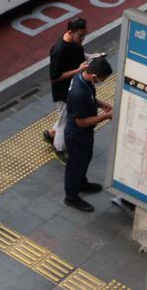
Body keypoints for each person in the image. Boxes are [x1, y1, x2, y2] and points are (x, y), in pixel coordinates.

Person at [43, 18, 99, 161]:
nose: (82, 38)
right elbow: (55, 77)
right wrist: (78, 70)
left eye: (84, 35)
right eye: (80, 35)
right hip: (63, 92)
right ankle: (59, 149)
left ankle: (50, 134)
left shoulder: (75, 43)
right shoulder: (59, 51)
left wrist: (91, 56)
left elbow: (80, 54)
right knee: (66, 122)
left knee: (65, 117)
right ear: (70, 32)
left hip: (71, 88)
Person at [63, 56, 114, 213]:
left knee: (85, 159)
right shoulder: (78, 92)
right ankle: (71, 196)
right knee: (75, 165)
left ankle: (81, 183)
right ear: (94, 76)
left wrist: (102, 104)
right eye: (102, 79)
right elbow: (81, 122)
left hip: (84, 134)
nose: (100, 82)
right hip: (77, 134)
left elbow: (91, 98)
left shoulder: (84, 80)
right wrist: (105, 116)